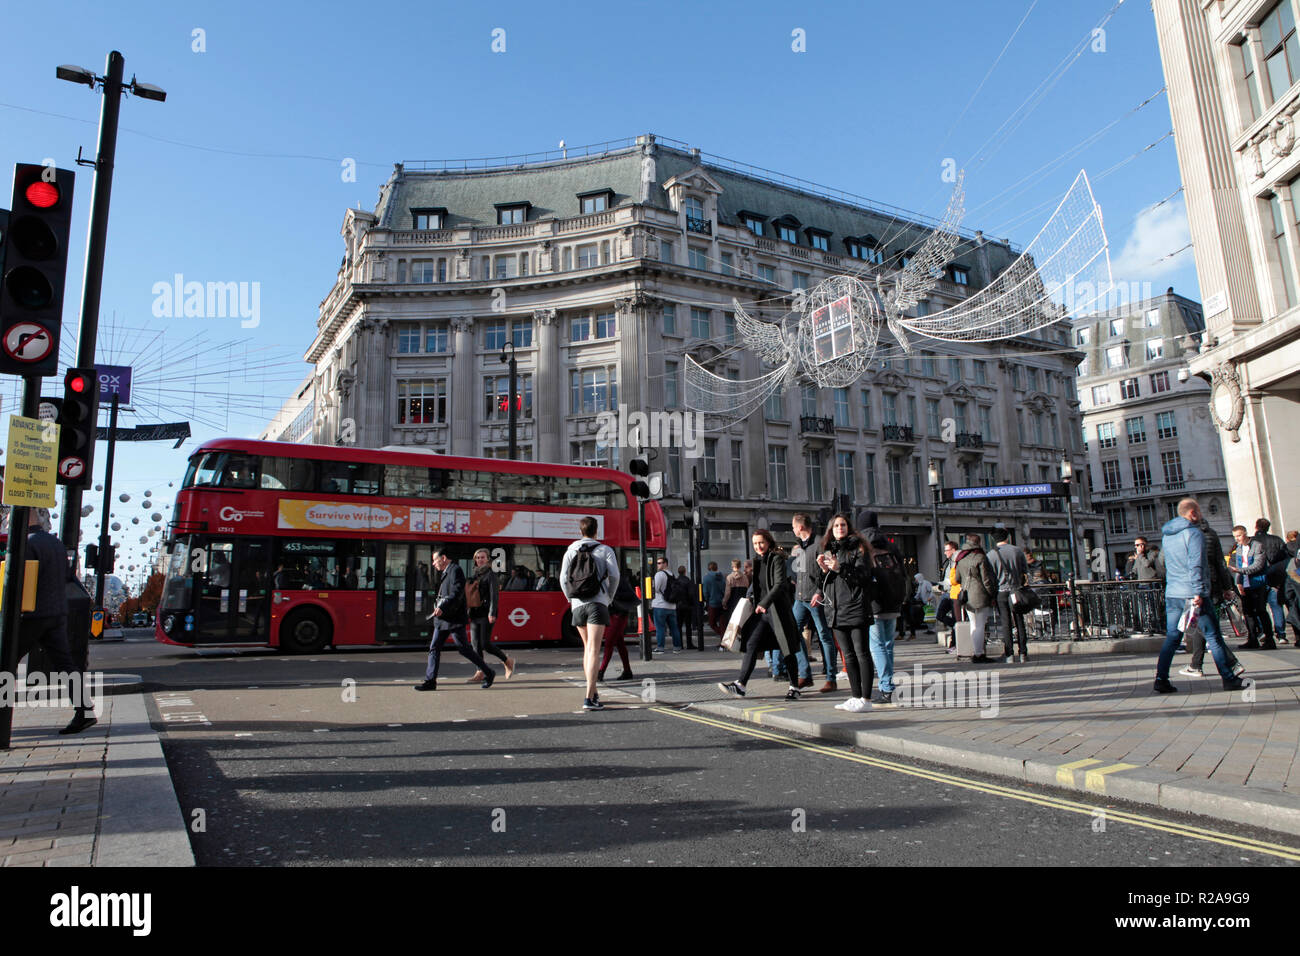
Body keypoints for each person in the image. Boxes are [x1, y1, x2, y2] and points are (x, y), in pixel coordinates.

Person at [1156, 498, 1246, 693]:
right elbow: (1196, 564)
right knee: (1213, 636)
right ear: (1193, 514)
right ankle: (1228, 678)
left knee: (1172, 636)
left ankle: (1161, 678)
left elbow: (1162, 563)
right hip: (1193, 593)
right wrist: (1197, 591)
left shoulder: (1167, 536)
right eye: (1199, 511)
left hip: (1174, 592)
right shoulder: (1194, 533)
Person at [18, 509, 95, 735]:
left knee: (5, 663)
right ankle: (85, 711)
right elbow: (66, 577)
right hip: (57, 612)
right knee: (66, 665)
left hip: (31, 615)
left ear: (24, 521)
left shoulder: (27, 544)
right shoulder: (56, 543)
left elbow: (24, 581)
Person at [718, 529, 805, 701]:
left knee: (786, 649)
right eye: (755, 543)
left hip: (778, 612)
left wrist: (764, 603)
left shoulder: (777, 558)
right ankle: (740, 685)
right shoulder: (758, 561)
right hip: (763, 614)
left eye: (761, 542)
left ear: (769, 541)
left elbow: (779, 584)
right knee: (751, 644)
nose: (758, 546)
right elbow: (759, 587)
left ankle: (794, 687)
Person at [813, 513, 873, 712]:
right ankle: (855, 696)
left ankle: (866, 698)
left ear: (849, 527)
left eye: (843, 525)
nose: (840, 528)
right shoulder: (830, 549)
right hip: (836, 610)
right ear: (831, 529)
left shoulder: (858, 548)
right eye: (836, 525)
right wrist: (823, 570)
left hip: (855, 607)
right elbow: (826, 584)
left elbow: (864, 577)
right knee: (847, 656)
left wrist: (840, 568)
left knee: (861, 653)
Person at [560, 517, 620, 711]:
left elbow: (562, 579)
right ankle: (588, 697)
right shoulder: (605, 550)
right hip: (597, 603)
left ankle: (593, 693)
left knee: (587, 649)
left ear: (580, 532)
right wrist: (609, 597)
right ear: (596, 532)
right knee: (594, 649)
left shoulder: (570, 550)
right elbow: (615, 576)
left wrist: (571, 600)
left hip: (577, 605)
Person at [415, 549, 495, 691]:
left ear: (443, 558)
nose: (433, 564)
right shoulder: (447, 571)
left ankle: (488, 672)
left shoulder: (455, 570)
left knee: (464, 649)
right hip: (443, 619)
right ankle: (430, 681)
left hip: (453, 619)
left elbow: (457, 592)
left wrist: (443, 605)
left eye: (435, 560)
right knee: (434, 648)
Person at [1177, 515, 1244, 679]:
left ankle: (1232, 664)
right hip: (1213, 584)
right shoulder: (1211, 534)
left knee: (1208, 628)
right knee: (1204, 625)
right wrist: (1227, 586)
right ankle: (1196, 664)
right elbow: (1220, 562)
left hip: (1198, 586)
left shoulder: (1187, 536)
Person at [861, 511, 910, 699]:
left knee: (876, 645)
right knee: (888, 644)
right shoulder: (890, 544)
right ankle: (888, 683)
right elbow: (904, 573)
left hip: (874, 601)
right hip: (894, 600)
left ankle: (886, 686)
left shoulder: (862, 545)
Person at [790, 513, 832, 692]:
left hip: (815, 598)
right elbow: (800, 572)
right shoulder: (800, 547)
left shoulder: (821, 543)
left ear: (800, 527)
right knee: (792, 632)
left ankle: (831, 677)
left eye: (793, 527)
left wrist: (819, 592)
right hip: (800, 598)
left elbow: (829, 569)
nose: (792, 530)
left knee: (824, 636)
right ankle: (805, 674)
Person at [467, 548, 516, 683]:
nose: (479, 560)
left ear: (487, 559)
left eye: (482, 557)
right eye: (477, 558)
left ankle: (507, 660)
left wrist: (492, 613)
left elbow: (494, 595)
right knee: (475, 644)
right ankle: (480, 671)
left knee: (485, 644)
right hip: (475, 612)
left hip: (486, 613)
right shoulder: (475, 574)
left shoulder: (491, 574)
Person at [954, 533, 998, 664]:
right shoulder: (980, 557)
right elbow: (987, 580)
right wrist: (992, 594)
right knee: (980, 625)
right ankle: (979, 654)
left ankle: (975, 651)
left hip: (967, 595)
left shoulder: (960, 558)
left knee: (973, 624)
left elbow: (956, 579)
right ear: (978, 543)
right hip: (980, 594)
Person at [987, 528, 1029, 663]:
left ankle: (1009, 654)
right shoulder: (1017, 551)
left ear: (994, 539)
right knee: (1019, 621)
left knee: (1005, 623)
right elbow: (1025, 570)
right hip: (1016, 591)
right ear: (1008, 537)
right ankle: (1023, 653)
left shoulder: (991, 555)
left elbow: (990, 577)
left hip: (1001, 592)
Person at [1231, 524, 1276, 649]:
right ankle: (1252, 638)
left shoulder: (1257, 546)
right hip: (1245, 584)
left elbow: (1258, 565)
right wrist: (1238, 582)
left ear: (1245, 534)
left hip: (1257, 583)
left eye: (1239, 535)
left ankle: (1269, 639)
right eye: (1235, 536)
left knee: (1261, 610)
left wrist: (1239, 571)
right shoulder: (1239, 548)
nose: (1237, 539)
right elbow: (1240, 566)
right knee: (1248, 612)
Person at [598, 563, 637, 682]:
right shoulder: (604, 579)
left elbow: (629, 595)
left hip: (618, 614)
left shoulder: (618, 579)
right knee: (619, 643)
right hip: (613, 614)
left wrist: (613, 596)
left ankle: (601, 672)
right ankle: (627, 671)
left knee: (609, 643)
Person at [1255, 518, 1290, 644]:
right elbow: (1285, 559)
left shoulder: (1253, 541)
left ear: (1256, 527)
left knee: (1260, 607)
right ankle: (1281, 634)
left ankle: (1265, 631)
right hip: (1275, 577)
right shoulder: (1277, 540)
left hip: (1258, 578)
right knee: (1276, 606)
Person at [651, 557, 682, 652]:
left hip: (660, 605)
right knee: (674, 628)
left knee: (660, 627)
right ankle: (677, 647)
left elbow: (655, 589)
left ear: (665, 564)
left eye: (660, 563)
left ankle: (660, 648)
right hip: (672, 606)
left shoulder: (659, 574)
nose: (658, 565)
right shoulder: (671, 574)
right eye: (657, 563)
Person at [936, 540, 960, 641]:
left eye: (947, 550)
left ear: (953, 550)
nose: (945, 552)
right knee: (939, 615)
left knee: (955, 618)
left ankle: (955, 640)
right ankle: (956, 627)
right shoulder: (948, 562)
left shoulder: (957, 562)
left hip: (954, 593)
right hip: (947, 593)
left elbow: (956, 578)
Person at [675, 565, 698, 650]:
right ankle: (689, 644)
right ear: (685, 571)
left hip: (678, 606)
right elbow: (691, 594)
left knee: (679, 626)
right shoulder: (688, 581)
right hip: (687, 606)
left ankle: (680, 644)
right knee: (688, 626)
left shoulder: (676, 581)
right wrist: (692, 604)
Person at [702, 561, 727, 639]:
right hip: (722, 602)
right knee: (722, 623)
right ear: (716, 567)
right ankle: (724, 640)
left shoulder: (706, 577)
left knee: (712, 623)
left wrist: (707, 600)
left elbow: (705, 592)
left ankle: (725, 637)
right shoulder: (722, 576)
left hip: (712, 603)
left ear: (709, 568)